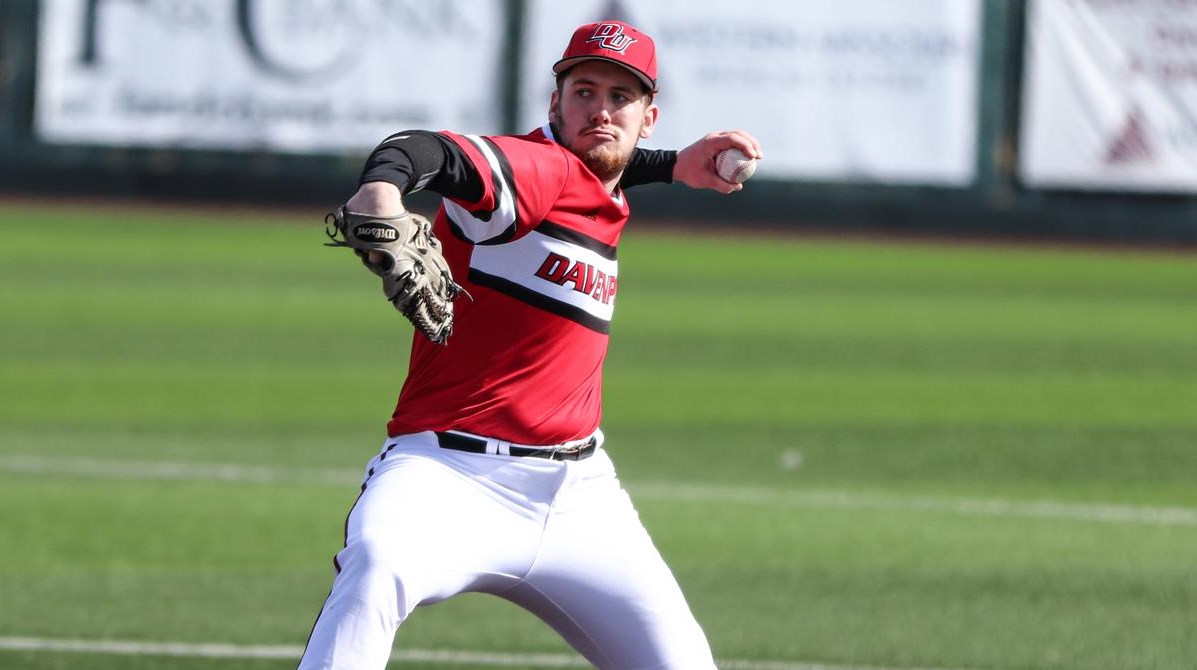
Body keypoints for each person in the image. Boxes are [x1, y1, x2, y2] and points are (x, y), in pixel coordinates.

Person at [297, 19, 762, 670]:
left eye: (620, 98)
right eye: (584, 92)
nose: (600, 111)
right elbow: (426, 150)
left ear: (648, 118)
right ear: (554, 103)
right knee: (376, 567)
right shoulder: (536, 168)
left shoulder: (599, 178)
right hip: (448, 477)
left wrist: (674, 166)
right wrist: (381, 188)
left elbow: (607, 165)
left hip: (580, 495)